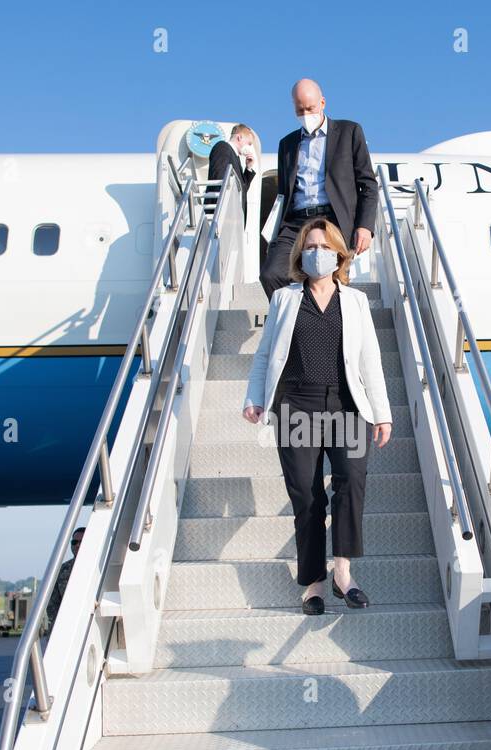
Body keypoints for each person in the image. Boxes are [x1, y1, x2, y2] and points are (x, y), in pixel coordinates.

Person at [243, 219, 392, 615]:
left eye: (324, 246)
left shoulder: (355, 301)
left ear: (339, 253)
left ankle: (343, 569)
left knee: (351, 479)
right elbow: (264, 354)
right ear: (299, 255)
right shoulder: (285, 299)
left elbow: (370, 360)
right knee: (307, 496)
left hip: (346, 404)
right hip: (297, 404)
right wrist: (255, 397)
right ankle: (314, 582)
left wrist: (382, 413)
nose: (316, 252)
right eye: (309, 246)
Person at [259, 78, 378, 300]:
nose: (306, 114)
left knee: (329, 279)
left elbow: (368, 183)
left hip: (334, 219)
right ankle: (297, 322)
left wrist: (365, 226)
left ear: (323, 103)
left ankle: (321, 324)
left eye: (310, 108)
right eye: (300, 109)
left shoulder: (350, 132)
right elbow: (284, 192)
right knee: (271, 274)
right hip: (295, 221)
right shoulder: (287, 144)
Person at [208, 123, 257, 225]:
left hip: (232, 220)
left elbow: (241, 190)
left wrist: (248, 168)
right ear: (239, 137)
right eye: (249, 143)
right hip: (222, 217)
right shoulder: (223, 147)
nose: (250, 147)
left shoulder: (236, 158)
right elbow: (219, 177)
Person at [43, 526, 84, 636]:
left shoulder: (100, 568)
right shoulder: (62, 569)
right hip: (66, 626)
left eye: (81, 542)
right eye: (74, 542)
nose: (77, 545)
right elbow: (52, 603)